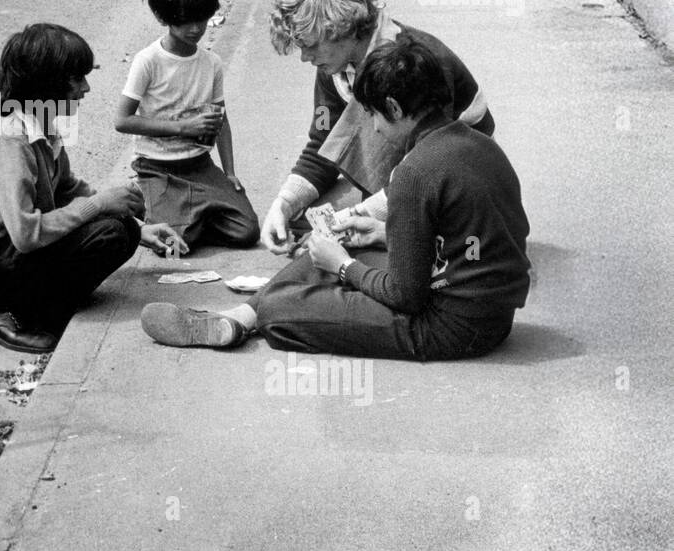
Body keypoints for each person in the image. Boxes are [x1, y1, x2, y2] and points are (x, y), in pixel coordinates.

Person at [141, 36, 531, 360]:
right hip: (492, 314)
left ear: (394, 107)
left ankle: (254, 315)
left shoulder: (415, 171)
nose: (375, 130)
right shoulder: (481, 146)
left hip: (451, 328)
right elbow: (469, 239)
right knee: (332, 250)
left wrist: (344, 267)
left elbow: (405, 297)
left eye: (374, 117)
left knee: (285, 307)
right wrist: (381, 233)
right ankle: (239, 317)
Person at [0, 23, 184, 354]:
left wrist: (141, 228)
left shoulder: (40, 124)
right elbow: (26, 235)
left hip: (5, 255)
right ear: (46, 83)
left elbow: (67, 189)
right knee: (110, 232)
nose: (85, 88)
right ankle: (10, 314)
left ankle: (43, 298)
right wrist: (100, 204)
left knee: (124, 230)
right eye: (77, 78)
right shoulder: (12, 140)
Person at [257, 0, 493, 257]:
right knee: (305, 218)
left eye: (311, 46)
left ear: (341, 27)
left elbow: (429, 166)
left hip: (459, 165)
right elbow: (323, 143)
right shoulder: (333, 68)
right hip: (410, 159)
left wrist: (349, 219)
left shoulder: (414, 64)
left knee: (363, 241)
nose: (305, 58)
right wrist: (282, 204)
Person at [114, 0, 259, 251]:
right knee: (177, 243)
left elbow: (221, 120)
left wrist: (229, 172)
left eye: (202, 20)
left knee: (247, 231)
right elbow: (122, 120)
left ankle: (190, 211)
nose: (195, 29)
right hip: (157, 166)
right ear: (165, 17)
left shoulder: (211, 63)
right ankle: (144, 199)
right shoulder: (149, 61)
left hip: (199, 165)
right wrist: (181, 127)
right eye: (185, 21)